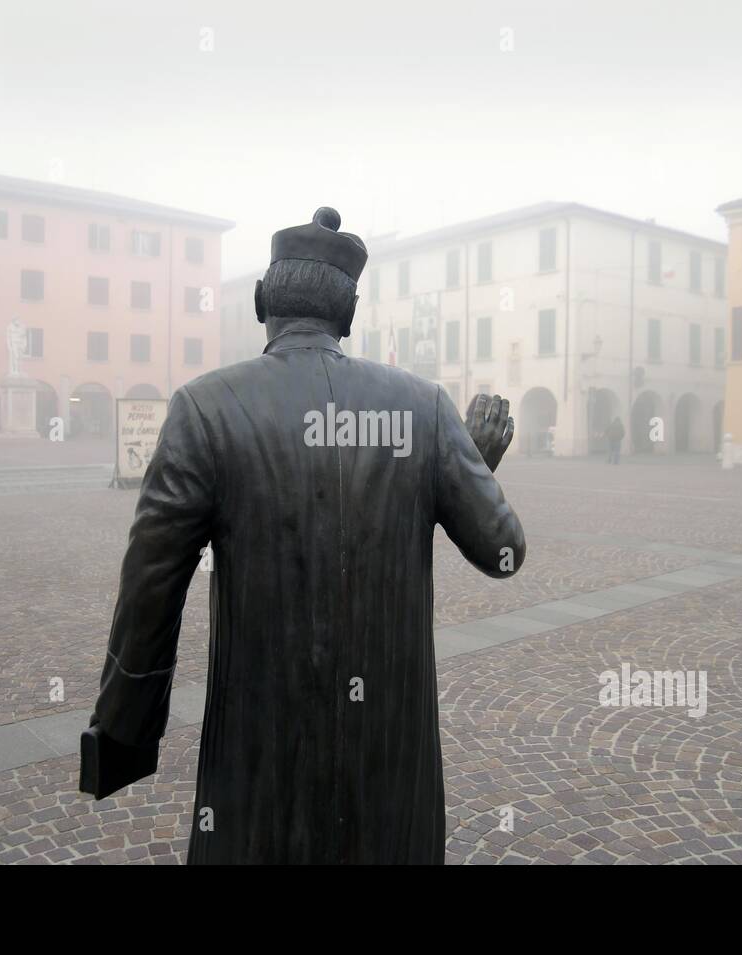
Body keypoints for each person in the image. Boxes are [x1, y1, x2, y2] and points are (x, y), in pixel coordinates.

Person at [85, 207, 526, 864]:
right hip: (392, 780)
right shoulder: (425, 408)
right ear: (347, 314)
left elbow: (151, 589)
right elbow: (501, 551)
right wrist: (470, 461)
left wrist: (121, 735)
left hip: (258, 777)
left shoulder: (206, 408)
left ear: (265, 302)